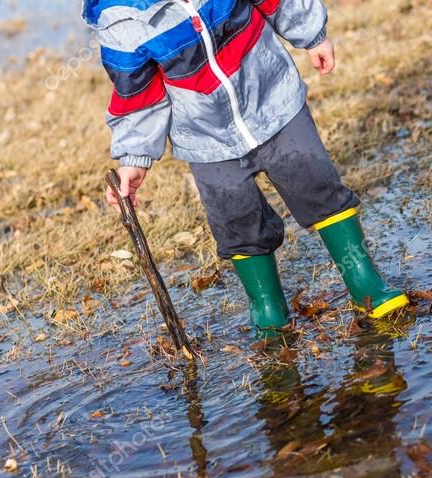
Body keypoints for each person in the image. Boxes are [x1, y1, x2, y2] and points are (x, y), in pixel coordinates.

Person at [83, 0, 409, 330]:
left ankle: (363, 279)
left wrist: (312, 35)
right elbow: (136, 93)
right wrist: (133, 159)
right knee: (235, 217)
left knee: (316, 183)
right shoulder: (119, 17)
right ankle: (266, 305)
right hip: (206, 138)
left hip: (272, 100)